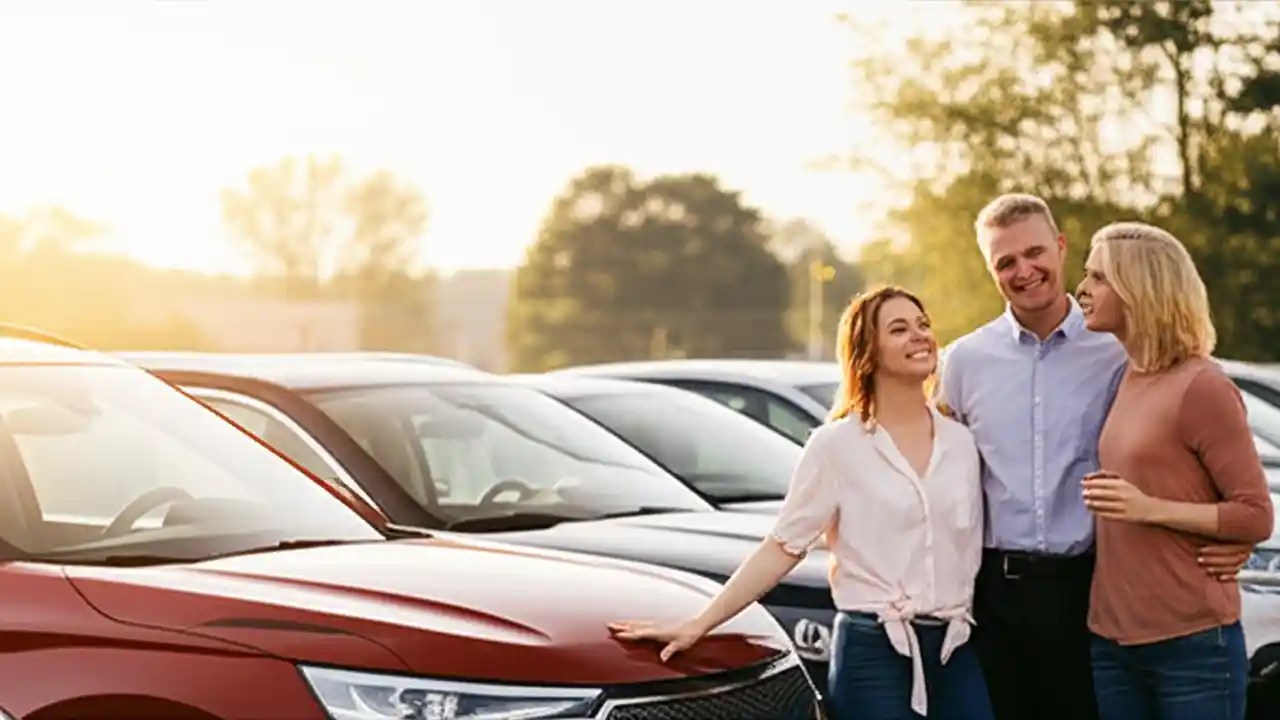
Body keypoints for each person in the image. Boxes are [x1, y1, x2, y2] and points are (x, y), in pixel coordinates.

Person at [936, 194, 1256, 720]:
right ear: (990, 269)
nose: (1024, 270)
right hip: (997, 594)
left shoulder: (1120, 347)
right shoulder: (965, 362)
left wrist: (1231, 540)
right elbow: (938, 476)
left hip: (1092, 589)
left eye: (1035, 252)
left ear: (1061, 248)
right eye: (1005, 262)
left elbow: (1197, 467)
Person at [609, 285, 994, 720]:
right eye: (900, 329)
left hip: (955, 647)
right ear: (867, 351)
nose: (920, 336)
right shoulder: (837, 446)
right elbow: (783, 546)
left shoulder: (961, 443)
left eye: (923, 325)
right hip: (874, 652)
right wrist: (699, 623)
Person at [1075, 221, 1273, 720]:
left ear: (1138, 288)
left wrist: (1149, 509)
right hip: (1112, 642)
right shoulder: (1124, 376)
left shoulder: (1202, 386)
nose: (1081, 289)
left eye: (1098, 277)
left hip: (1191, 646)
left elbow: (1255, 515)